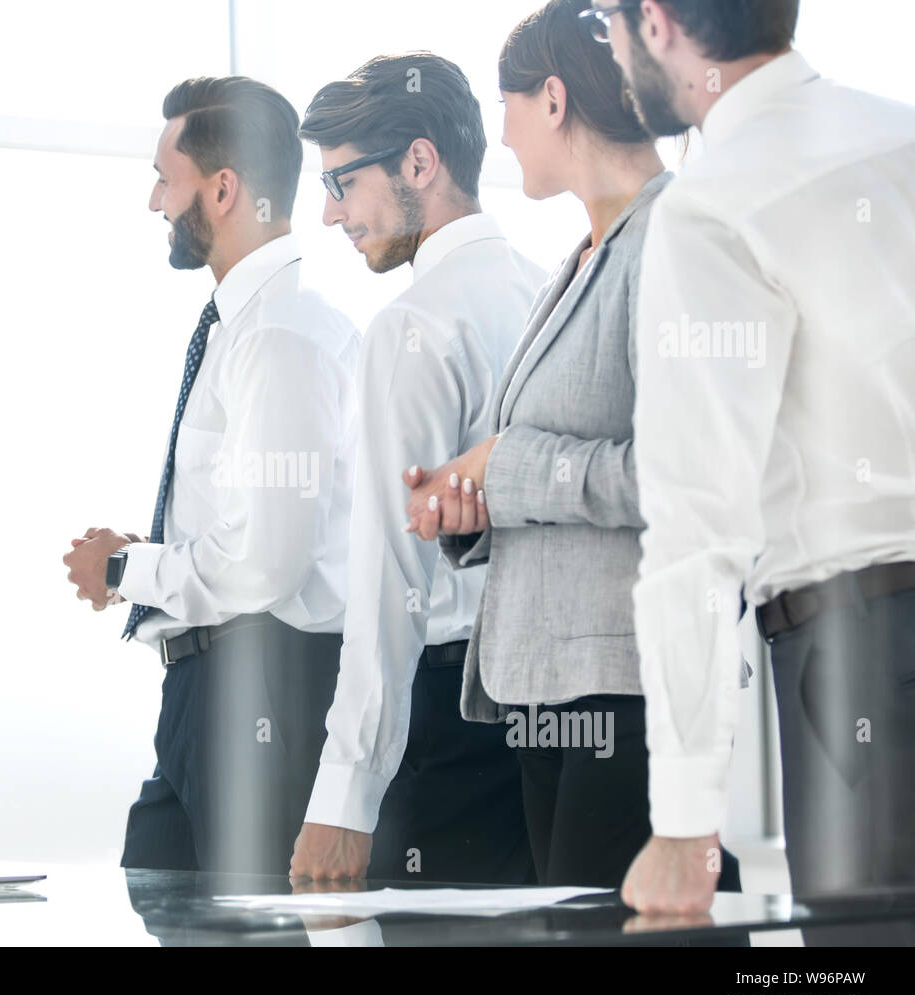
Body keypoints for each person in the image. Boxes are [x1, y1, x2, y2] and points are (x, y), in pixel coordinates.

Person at [402, 1, 742, 894]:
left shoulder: (673, 237)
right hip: (551, 695)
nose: (503, 137)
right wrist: (467, 504)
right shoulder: (582, 257)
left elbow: (682, 472)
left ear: (553, 100)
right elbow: (551, 456)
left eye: (508, 106)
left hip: (627, 693)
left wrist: (502, 468)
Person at [591, 0, 915, 925]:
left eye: (610, 21)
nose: (612, 44)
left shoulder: (713, 203)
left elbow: (698, 522)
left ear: (655, 23)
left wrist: (685, 823)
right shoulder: (902, 135)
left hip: (869, 668)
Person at [62, 77, 359, 876]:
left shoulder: (279, 337)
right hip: (212, 689)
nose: (154, 201)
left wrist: (128, 568)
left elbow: (267, 562)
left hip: (262, 688)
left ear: (224, 189)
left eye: (167, 178)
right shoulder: (247, 329)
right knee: (159, 889)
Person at [289, 52, 543, 884]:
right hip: (554, 722)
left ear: (420, 163)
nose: (331, 217)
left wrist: (342, 800)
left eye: (342, 184)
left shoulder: (412, 325)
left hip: (447, 728)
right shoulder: (550, 293)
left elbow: (391, 580)